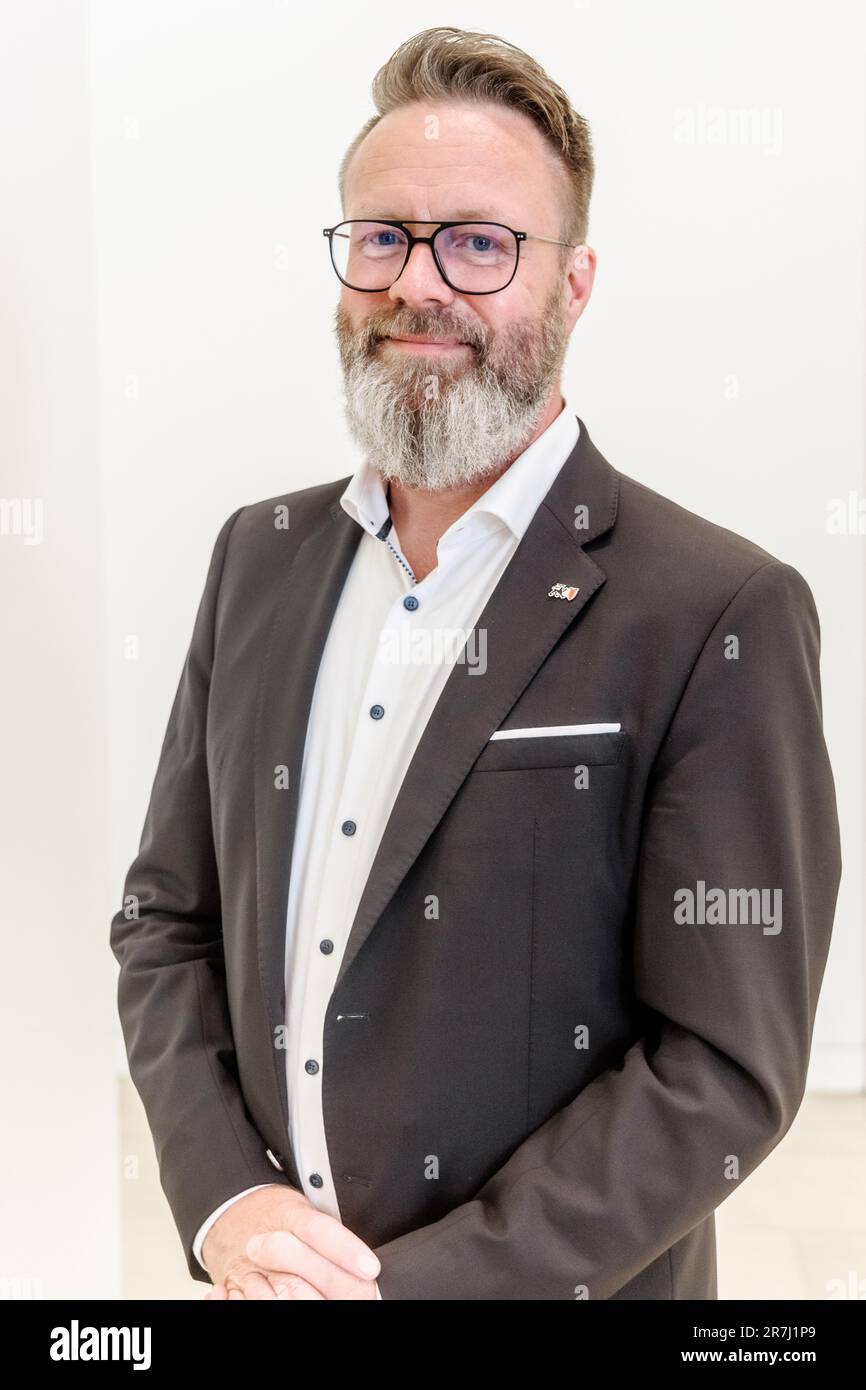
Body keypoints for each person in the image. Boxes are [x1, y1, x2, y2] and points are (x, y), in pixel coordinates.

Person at [110, 26, 841, 1300]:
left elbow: (722, 1066)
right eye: (382, 236)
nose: (418, 284)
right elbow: (166, 922)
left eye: (480, 242)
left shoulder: (717, 609)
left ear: (575, 284)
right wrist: (226, 1198)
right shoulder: (257, 562)